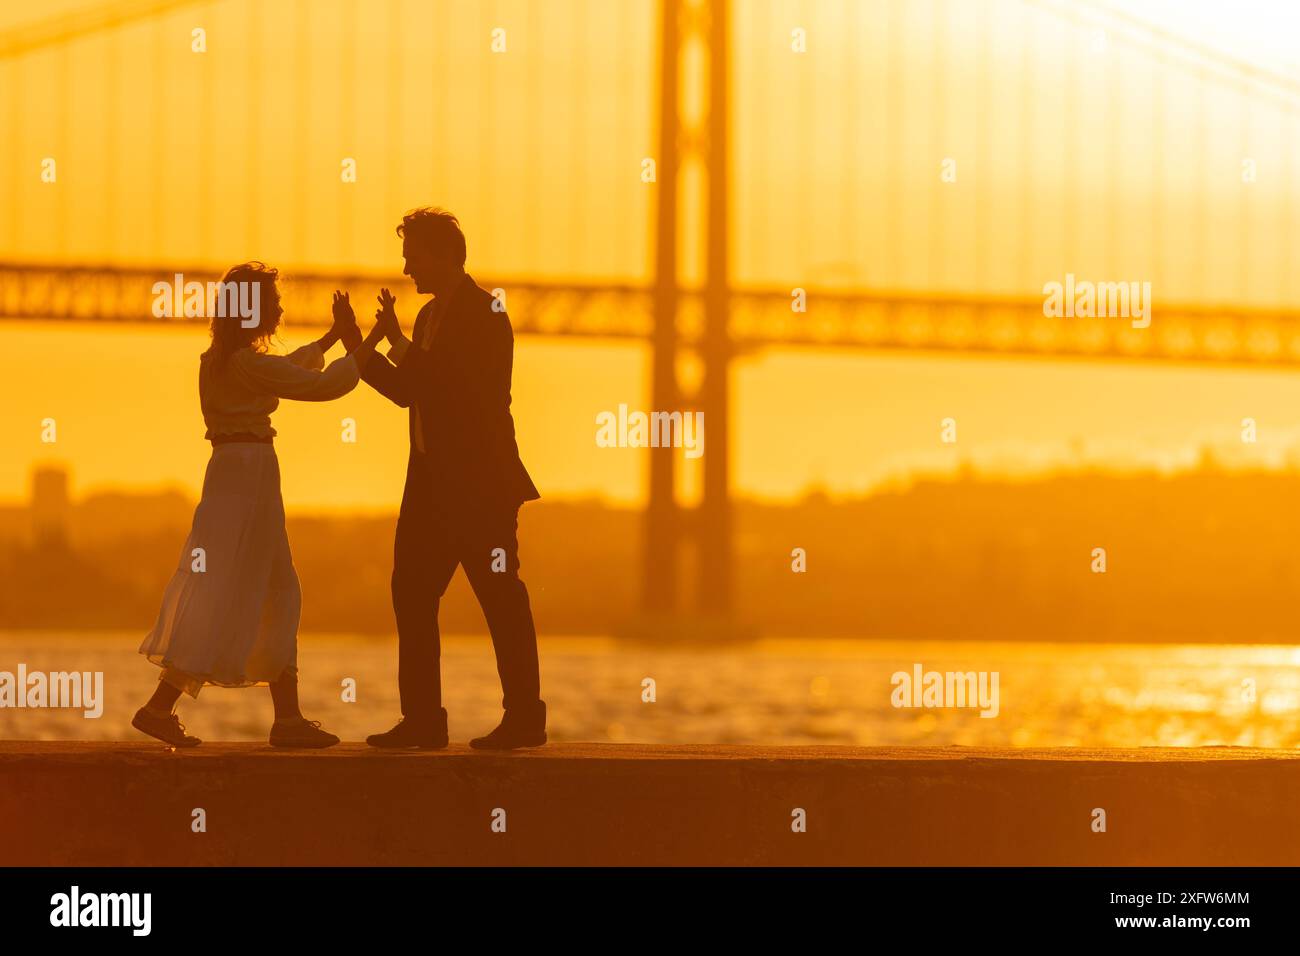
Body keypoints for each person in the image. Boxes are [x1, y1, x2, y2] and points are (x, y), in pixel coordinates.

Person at [134, 261, 372, 748]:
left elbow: (285, 372)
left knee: (264, 588)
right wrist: (369, 344)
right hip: (249, 474)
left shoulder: (222, 359)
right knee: (269, 589)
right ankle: (177, 709)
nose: (281, 308)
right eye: (273, 301)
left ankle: (280, 718)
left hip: (236, 470)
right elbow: (321, 386)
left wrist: (332, 340)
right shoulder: (244, 361)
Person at [340, 207, 546, 750]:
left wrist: (391, 340)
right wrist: (355, 344)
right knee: (411, 594)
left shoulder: (487, 313)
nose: (407, 269)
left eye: (413, 256)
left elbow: (449, 385)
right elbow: (410, 391)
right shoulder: (429, 318)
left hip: (480, 488)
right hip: (430, 487)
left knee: (501, 599)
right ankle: (424, 720)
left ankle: (526, 719)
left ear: (441, 254)